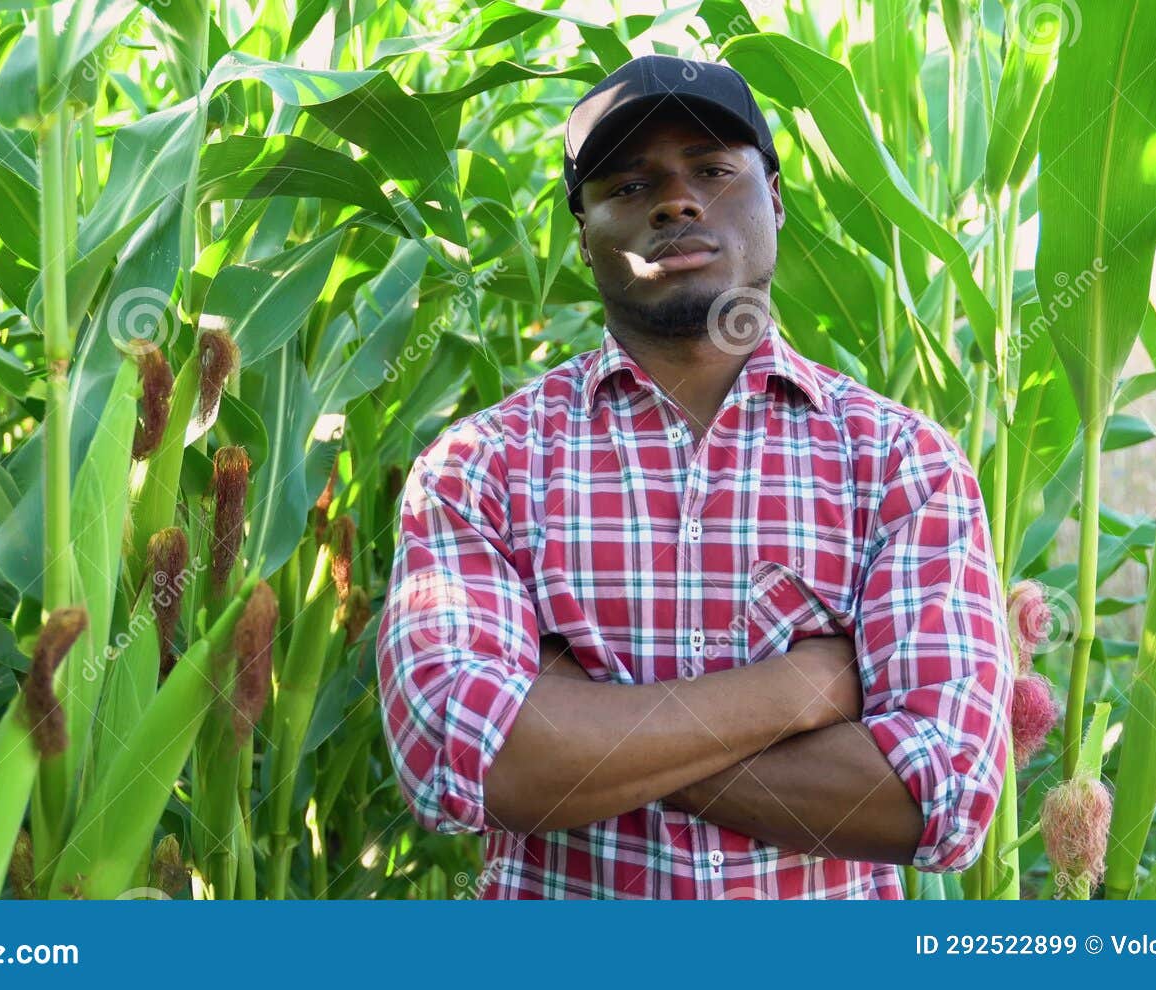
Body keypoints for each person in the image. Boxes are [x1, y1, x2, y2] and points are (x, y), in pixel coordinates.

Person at [376, 53, 1013, 898]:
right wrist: (803, 686)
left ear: (775, 200)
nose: (676, 201)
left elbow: (943, 800)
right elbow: (470, 763)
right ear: (585, 234)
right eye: (629, 186)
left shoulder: (902, 464)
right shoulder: (479, 469)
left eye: (713, 170)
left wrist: (582, 712)